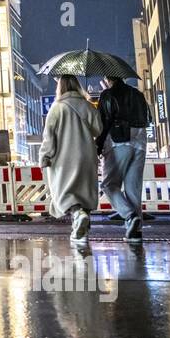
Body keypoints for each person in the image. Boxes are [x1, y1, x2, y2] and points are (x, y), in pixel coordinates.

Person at [39, 74, 103, 246]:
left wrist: (45, 155)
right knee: (85, 192)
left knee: (65, 192)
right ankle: (81, 232)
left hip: (64, 157)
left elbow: (49, 136)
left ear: (60, 86)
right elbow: (98, 129)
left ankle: (77, 215)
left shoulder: (57, 108)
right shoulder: (88, 106)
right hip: (87, 156)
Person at [96, 74, 150, 243]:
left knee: (109, 184)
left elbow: (102, 123)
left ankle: (129, 215)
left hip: (118, 142)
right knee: (133, 189)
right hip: (140, 144)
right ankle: (135, 232)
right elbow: (148, 119)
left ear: (108, 79)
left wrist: (98, 145)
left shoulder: (107, 95)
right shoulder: (138, 94)